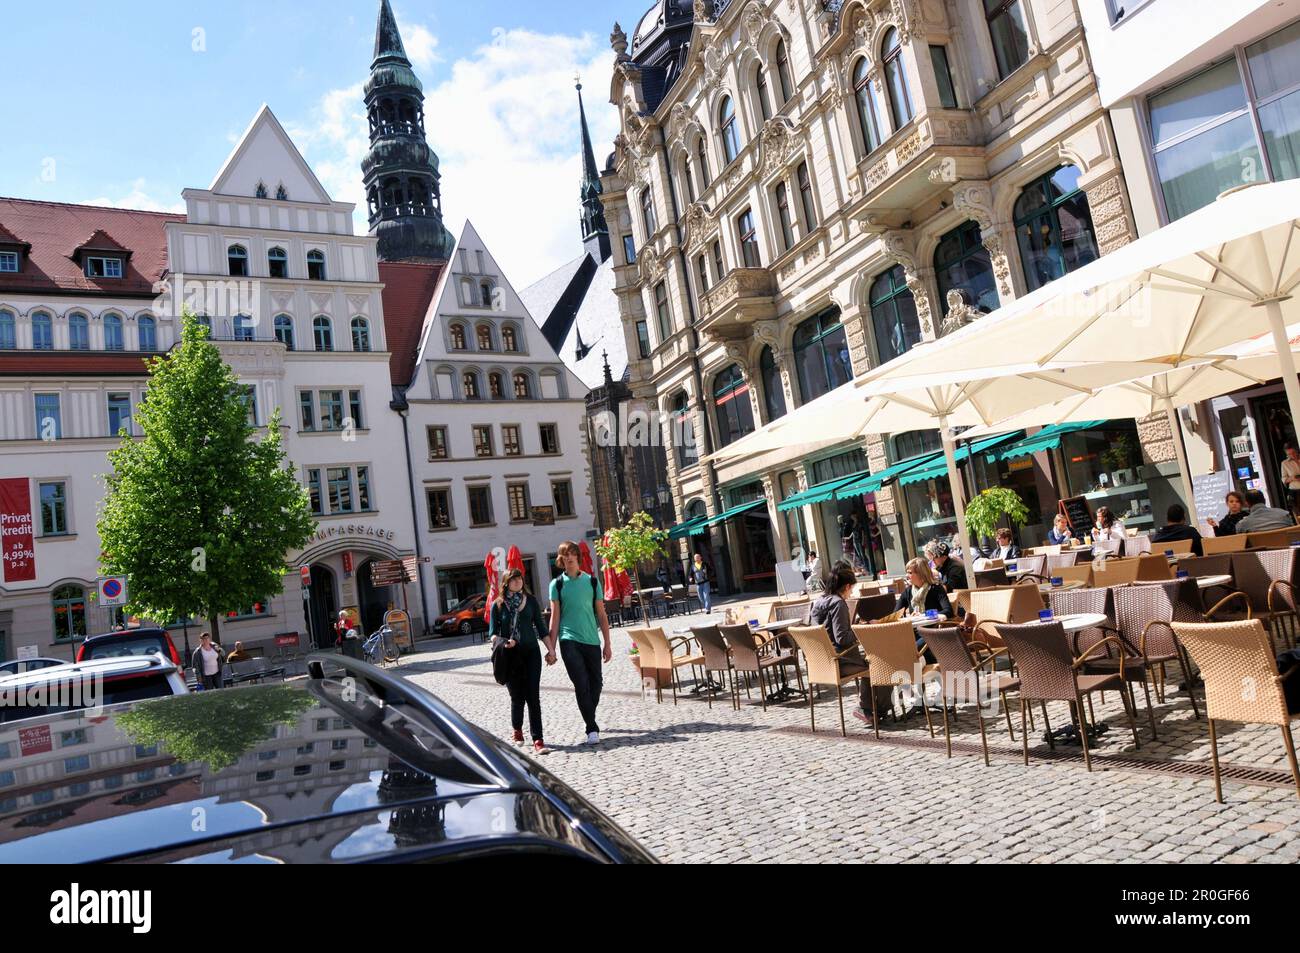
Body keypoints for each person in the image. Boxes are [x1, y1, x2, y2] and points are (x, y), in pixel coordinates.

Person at [805, 563, 888, 728]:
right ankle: (874, 709)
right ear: (847, 586)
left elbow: (829, 631)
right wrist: (861, 629)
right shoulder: (838, 603)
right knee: (881, 665)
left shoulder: (818, 602)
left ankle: (869, 708)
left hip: (821, 662)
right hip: (840, 660)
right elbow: (842, 638)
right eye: (851, 589)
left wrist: (854, 625)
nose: (851, 593)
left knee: (872, 663)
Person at [549, 541, 613, 745]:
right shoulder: (556, 584)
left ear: (578, 557)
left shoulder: (593, 582)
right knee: (581, 683)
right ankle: (591, 728)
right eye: (565, 554)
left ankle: (588, 714)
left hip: (591, 640)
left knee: (596, 683)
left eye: (573, 553)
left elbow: (602, 615)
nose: (569, 557)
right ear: (561, 559)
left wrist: (608, 643)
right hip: (569, 640)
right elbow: (555, 617)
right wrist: (551, 648)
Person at [490, 568, 550, 755]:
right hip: (510, 655)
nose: (518, 582)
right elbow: (492, 633)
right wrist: (504, 642)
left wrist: (551, 649)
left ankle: (538, 739)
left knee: (533, 696)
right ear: (506, 583)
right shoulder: (498, 605)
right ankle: (517, 729)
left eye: (520, 579)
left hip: (531, 653)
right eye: (513, 579)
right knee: (517, 697)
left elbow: (541, 628)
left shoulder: (531, 601)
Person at [1282, 444, 1300, 512]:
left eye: (1293, 453)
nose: (1292, 455)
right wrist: (1292, 478)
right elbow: (1284, 479)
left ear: (1297, 451)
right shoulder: (1285, 463)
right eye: (1289, 454)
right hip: (1296, 492)